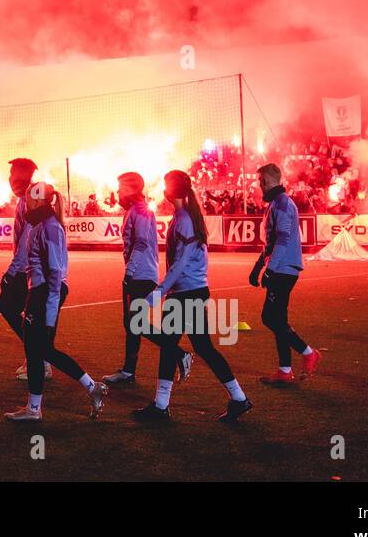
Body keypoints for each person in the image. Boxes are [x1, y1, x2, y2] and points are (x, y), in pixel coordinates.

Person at [134, 171, 252, 424]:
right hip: (192, 291)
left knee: (170, 346)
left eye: (165, 185)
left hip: (186, 293)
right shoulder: (185, 217)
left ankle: (161, 406)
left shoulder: (185, 219)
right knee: (202, 348)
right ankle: (238, 398)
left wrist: (160, 290)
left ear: (170, 191)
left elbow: (180, 262)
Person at [5, 182, 107, 421]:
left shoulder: (49, 227)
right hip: (41, 291)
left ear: (38, 200)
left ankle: (38, 408)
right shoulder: (42, 224)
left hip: (44, 293)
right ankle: (89, 388)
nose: (25, 203)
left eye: (29, 198)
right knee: (41, 350)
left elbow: (54, 272)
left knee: (36, 349)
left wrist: (49, 312)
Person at [103, 172, 182, 386]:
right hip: (140, 272)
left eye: (120, 187)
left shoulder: (140, 210)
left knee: (134, 323)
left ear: (130, 188)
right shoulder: (135, 210)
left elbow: (140, 244)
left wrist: (129, 272)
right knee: (132, 324)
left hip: (141, 275)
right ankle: (128, 372)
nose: (117, 192)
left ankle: (179, 354)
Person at [249, 163, 321, 385]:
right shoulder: (277, 204)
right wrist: (258, 265)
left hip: (283, 269)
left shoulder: (282, 204)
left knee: (271, 318)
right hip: (280, 267)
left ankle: (308, 353)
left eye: (260, 182)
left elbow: (282, 239)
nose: (259, 186)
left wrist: (269, 269)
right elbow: (272, 242)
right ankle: (285, 371)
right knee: (277, 319)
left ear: (267, 182)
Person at [0, 157, 50, 382]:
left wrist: (12, 271)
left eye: (14, 174)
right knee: (21, 312)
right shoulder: (24, 199)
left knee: (9, 307)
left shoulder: (31, 199)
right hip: (30, 269)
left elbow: (28, 239)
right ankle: (38, 357)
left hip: (31, 270)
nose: (10, 179)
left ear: (24, 176)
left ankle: (41, 360)